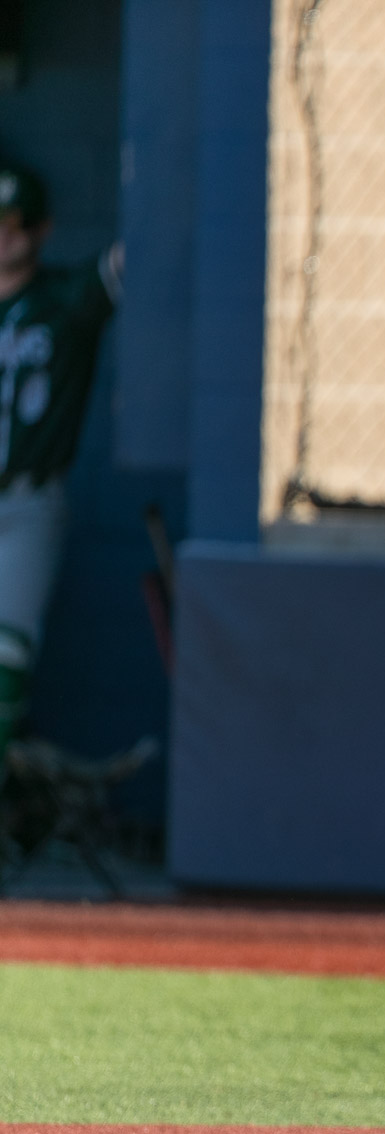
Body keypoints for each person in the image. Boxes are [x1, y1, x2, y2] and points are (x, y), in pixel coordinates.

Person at [0, 161, 121, 758]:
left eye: (17, 224)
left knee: (5, 656)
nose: (4, 237)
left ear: (41, 229)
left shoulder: (63, 299)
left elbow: (128, 261)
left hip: (28, 497)